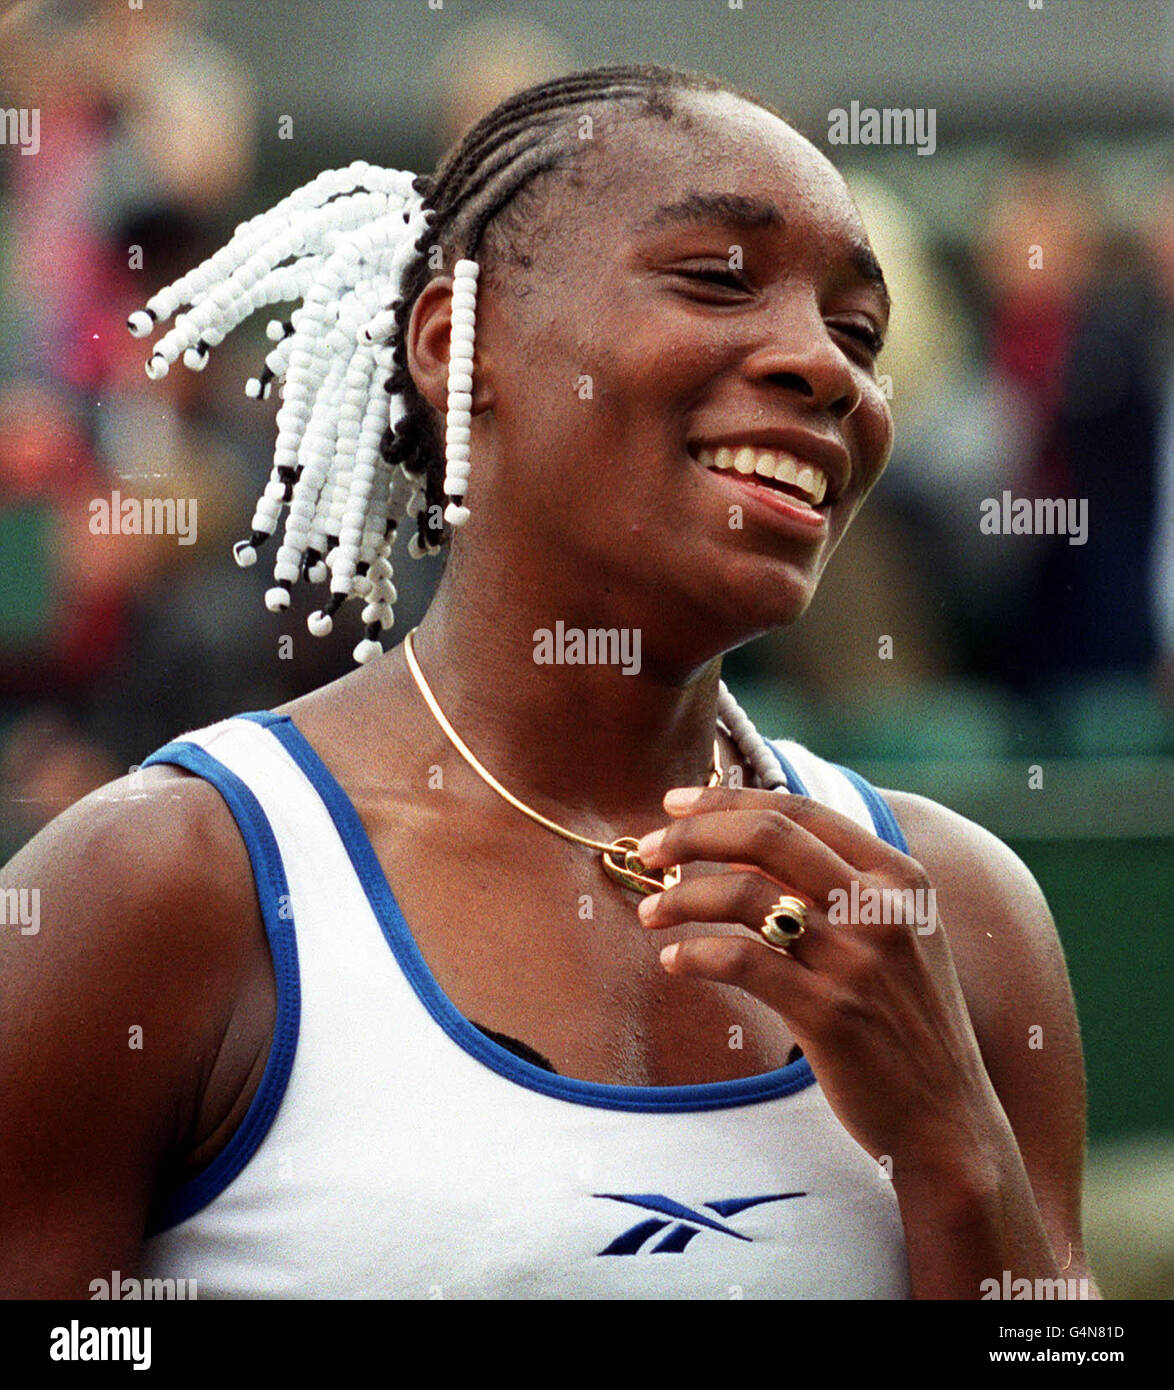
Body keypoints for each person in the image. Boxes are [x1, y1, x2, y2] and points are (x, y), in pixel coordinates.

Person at [0, 64, 1097, 1299]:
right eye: (716, 280)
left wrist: (951, 1143)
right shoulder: (157, 888)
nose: (827, 368)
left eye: (858, 333)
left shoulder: (955, 909)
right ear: (455, 343)